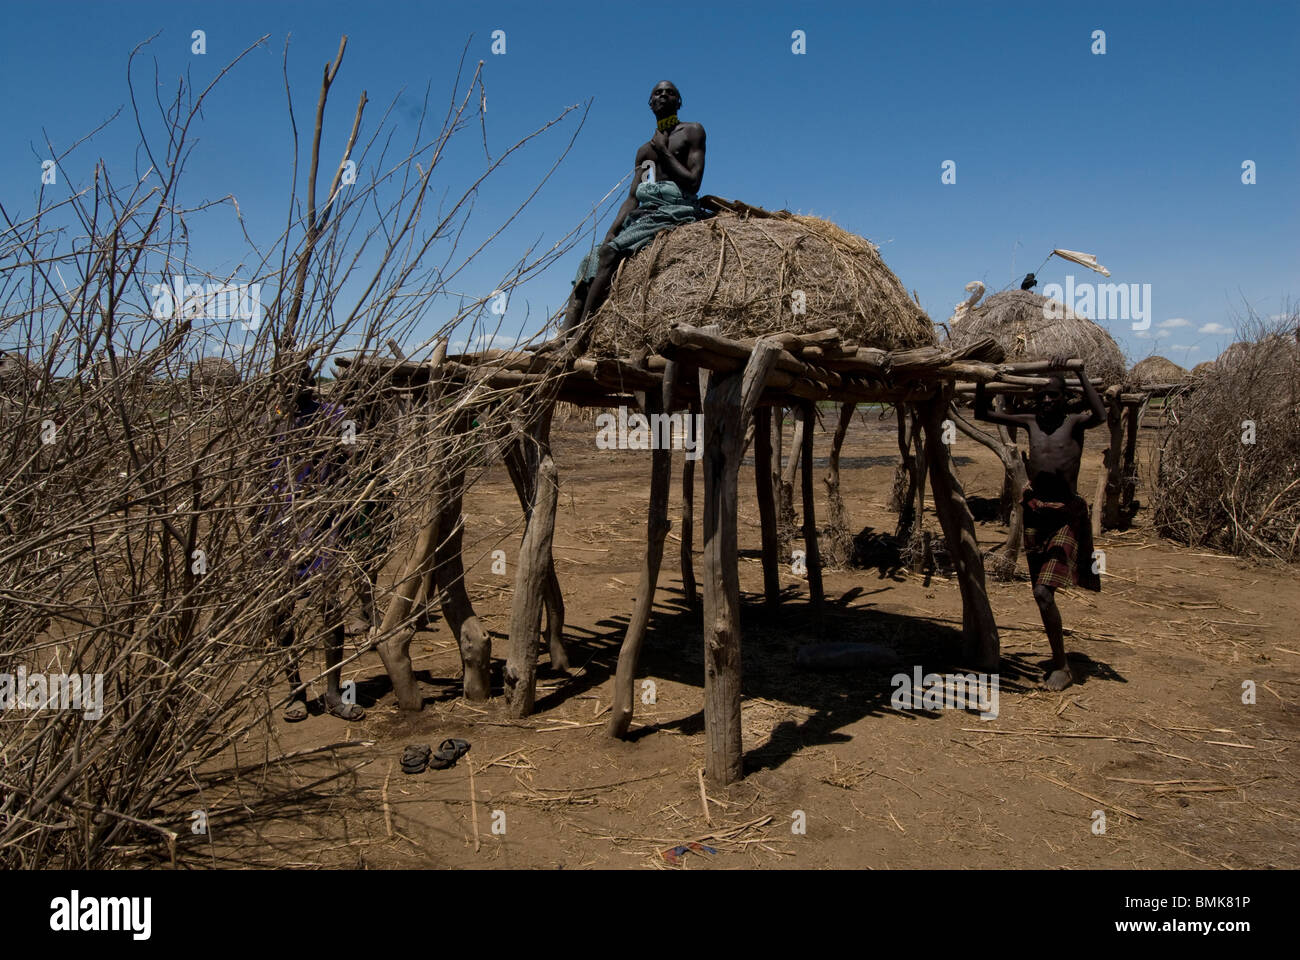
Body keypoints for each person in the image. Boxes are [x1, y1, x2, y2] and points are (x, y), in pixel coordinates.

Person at [974, 358, 1106, 690]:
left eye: (1053, 396)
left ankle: (1061, 666)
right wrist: (981, 380)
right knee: (1040, 595)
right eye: (1043, 396)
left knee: (1042, 592)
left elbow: (1102, 415)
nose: (1047, 400)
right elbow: (982, 414)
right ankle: (1058, 659)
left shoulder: (1075, 423)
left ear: (1065, 398)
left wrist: (1080, 373)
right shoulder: (1030, 421)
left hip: (1064, 515)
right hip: (1035, 512)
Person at [557, 81, 708, 348]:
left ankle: (580, 339)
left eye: (669, 92)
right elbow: (633, 196)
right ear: (650, 103)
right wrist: (611, 230)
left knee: (609, 254)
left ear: (679, 101)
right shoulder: (644, 150)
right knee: (590, 260)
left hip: (675, 208)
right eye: (657, 92)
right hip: (645, 212)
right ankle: (562, 336)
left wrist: (664, 151)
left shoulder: (692, 132)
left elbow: (693, 182)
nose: (663, 95)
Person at [260, 360, 365, 721]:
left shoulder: (335, 413)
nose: (293, 387)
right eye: (285, 381)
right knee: (283, 609)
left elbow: (357, 449)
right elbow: (257, 472)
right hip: (280, 527)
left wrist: (342, 442)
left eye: (300, 380)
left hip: (322, 522)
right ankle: (295, 690)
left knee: (328, 606)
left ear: (309, 382)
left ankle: (333, 693)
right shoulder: (270, 420)